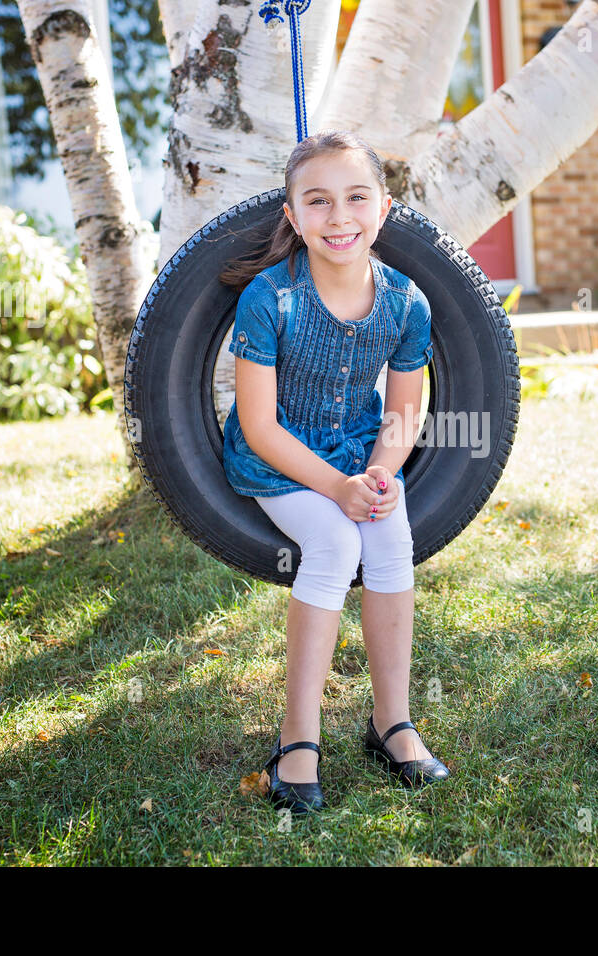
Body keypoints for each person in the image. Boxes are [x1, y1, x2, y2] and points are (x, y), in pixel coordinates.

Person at [218, 130, 451, 814]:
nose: (339, 217)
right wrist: (337, 489)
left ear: (383, 207)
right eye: (317, 202)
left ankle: (393, 723)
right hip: (280, 459)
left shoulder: (407, 303)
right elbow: (259, 425)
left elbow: (405, 413)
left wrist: (379, 474)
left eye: (355, 198)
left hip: (358, 453)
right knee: (335, 543)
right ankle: (298, 739)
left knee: (389, 540)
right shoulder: (270, 297)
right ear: (292, 216)